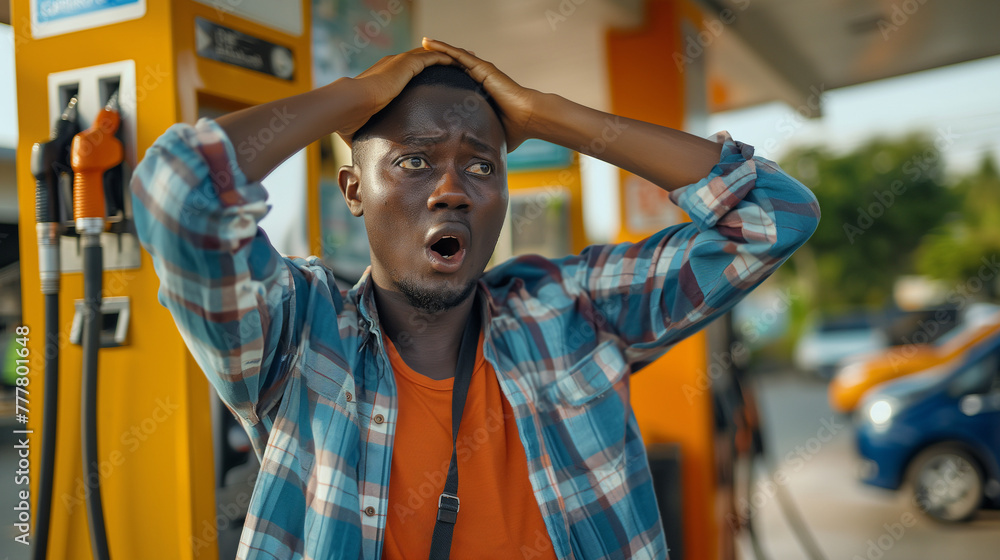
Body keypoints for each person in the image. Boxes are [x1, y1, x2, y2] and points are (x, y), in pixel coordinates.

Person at [131, 38, 820, 560]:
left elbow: (774, 216)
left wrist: (548, 116)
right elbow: (177, 193)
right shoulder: (299, 337)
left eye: (482, 165)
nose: (453, 188)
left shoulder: (567, 313)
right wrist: (353, 96)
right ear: (353, 193)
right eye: (413, 161)